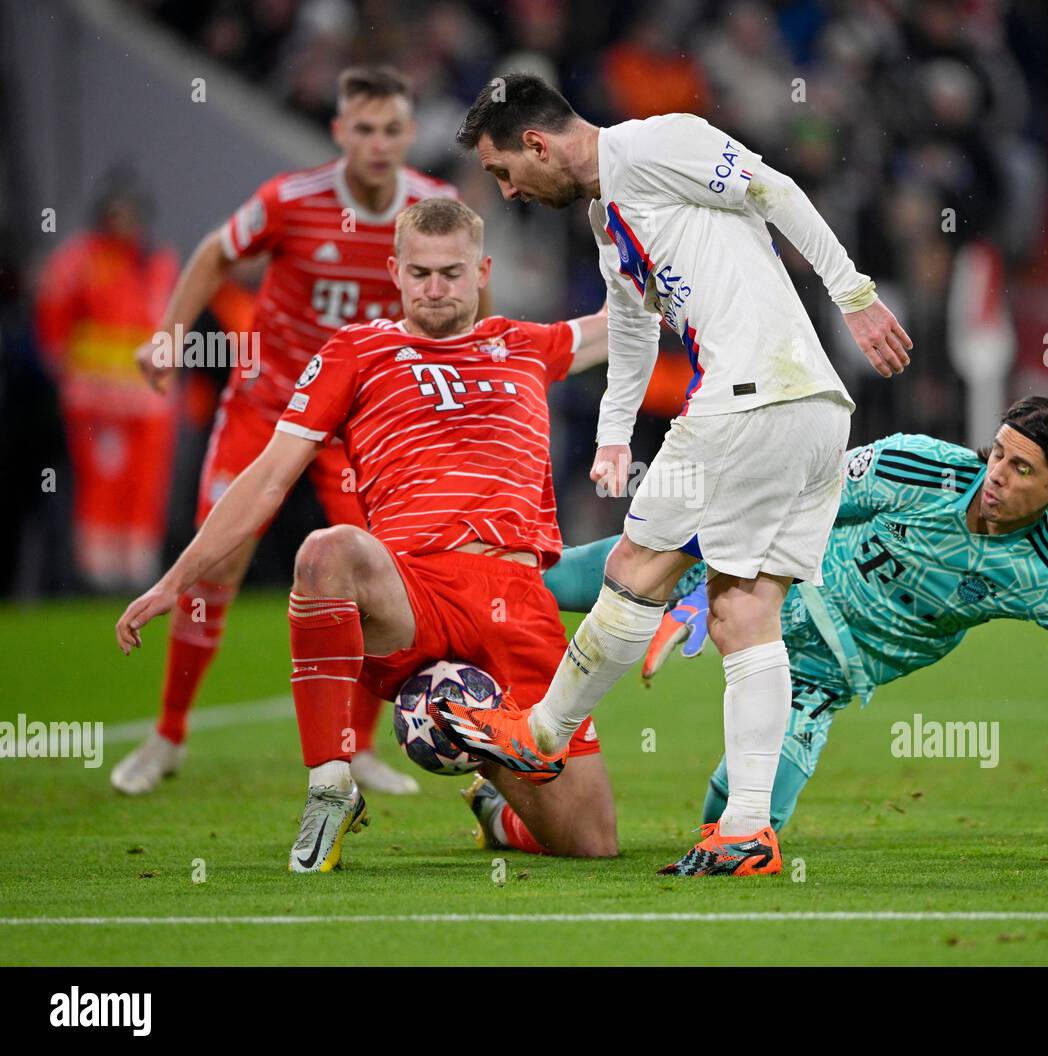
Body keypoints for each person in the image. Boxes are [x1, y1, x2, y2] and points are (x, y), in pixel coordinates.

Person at [445, 72, 913, 876]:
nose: (507, 192)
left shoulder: (659, 141)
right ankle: (747, 829)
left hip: (749, 400)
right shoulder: (608, 215)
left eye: (501, 172)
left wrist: (855, 294)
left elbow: (777, 187)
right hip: (811, 416)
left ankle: (542, 735)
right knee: (744, 613)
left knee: (634, 570)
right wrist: (616, 435)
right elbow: (631, 326)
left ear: (535, 142)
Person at [115, 198, 616, 872]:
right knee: (328, 550)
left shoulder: (526, 342)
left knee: (591, 844)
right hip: (412, 592)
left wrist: (628, 244)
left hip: (520, 602)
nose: (435, 288)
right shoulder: (356, 350)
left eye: (451, 272)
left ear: (482, 271)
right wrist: (176, 579)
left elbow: (632, 325)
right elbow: (267, 478)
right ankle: (331, 784)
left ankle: (497, 798)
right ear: (395, 272)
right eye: (420, 274)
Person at [535, 397, 1048, 856]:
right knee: (587, 573)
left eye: (1020, 467)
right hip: (759, 582)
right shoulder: (919, 465)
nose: (995, 473)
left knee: (742, 819)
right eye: (998, 452)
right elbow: (798, 503)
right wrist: (707, 580)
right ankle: (466, 589)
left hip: (817, 680)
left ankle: (517, 811)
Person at [113, 65, 475, 797]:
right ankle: (168, 736)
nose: (377, 143)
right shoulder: (290, 200)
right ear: (339, 132)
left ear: (410, 134)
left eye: (391, 129)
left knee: (383, 576)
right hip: (269, 406)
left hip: (363, 422)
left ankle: (364, 747)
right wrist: (170, 336)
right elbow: (216, 252)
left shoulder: (433, 212)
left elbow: (467, 300)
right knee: (216, 566)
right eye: (363, 128)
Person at [34, 166, 178, 592]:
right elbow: (53, 329)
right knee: (102, 484)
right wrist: (68, 380)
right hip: (95, 399)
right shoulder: (77, 261)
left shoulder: (158, 262)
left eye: (132, 212)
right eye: (117, 211)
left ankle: (139, 571)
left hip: (148, 401)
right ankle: (95, 575)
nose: (125, 221)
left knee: (146, 485)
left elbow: (170, 327)